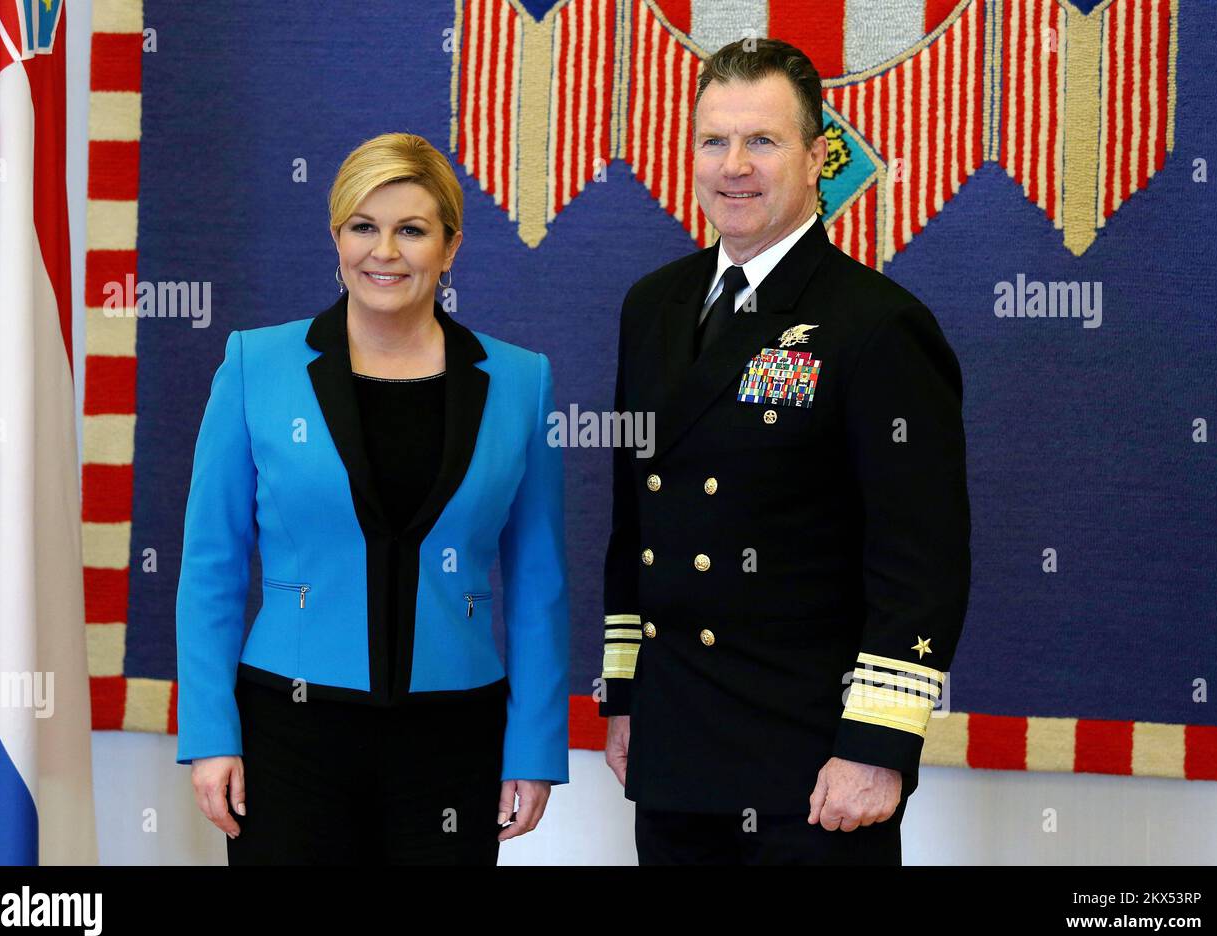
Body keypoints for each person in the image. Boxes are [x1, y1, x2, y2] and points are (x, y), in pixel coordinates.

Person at [599, 38, 971, 865]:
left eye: (761, 141)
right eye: (713, 140)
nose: (734, 166)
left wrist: (877, 747)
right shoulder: (651, 305)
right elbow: (636, 522)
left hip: (810, 769)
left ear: (818, 157)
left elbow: (922, 561)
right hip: (674, 750)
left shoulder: (876, 325)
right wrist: (625, 697)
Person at [175, 132, 569, 865]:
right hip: (289, 736)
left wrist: (536, 745)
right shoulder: (254, 365)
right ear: (336, 236)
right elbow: (211, 567)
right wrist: (209, 736)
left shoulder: (522, 382)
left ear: (449, 246)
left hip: (454, 738)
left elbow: (539, 582)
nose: (383, 251)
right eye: (364, 226)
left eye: (411, 229)